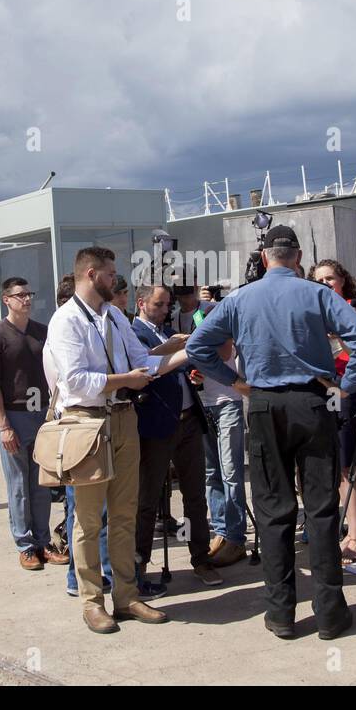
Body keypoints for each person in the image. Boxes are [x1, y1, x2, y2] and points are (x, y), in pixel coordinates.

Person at [188, 225, 356, 640]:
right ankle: (330, 614)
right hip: (313, 403)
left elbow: (198, 347)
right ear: (297, 255)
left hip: (264, 404)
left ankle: (281, 613)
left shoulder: (240, 298)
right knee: (322, 508)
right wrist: (346, 386)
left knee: (274, 510)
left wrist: (234, 381)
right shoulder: (318, 294)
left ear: (264, 254)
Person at [44, 247, 190, 634]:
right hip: (86, 423)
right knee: (88, 521)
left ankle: (126, 596)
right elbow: (74, 381)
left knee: (124, 515)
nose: (116, 280)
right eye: (111, 274)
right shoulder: (66, 321)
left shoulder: (114, 317)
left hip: (125, 420)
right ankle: (93, 601)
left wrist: (189, 351)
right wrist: (125, 381)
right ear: (92, 274)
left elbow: (144, 361)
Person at [131, 286, 222, 589]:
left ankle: (201, 557)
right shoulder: (133, 334)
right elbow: (142, 369)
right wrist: (171, 350)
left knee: (195, 495)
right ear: (141, 303)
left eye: (167, 304)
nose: (164, 309)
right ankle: (139, 561)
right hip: (157, 426)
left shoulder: (168, 331)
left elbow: (183, 368)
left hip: (188, 421)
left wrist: (193, 375)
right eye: (158, 304)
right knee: (148, 497)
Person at [0, 277, 68, 571]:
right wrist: (3, 424)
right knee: (18, 484)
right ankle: (25, 545)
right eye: (20, 295)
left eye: (29, 294)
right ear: (7, 299)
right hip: (15, 416)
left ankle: (44, 542)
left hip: (42, 414)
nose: (27, 299)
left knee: (41, 483)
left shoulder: (42, 333)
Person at [48, 274, 113, 598]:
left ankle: (89, 574)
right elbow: (74, 385)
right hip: (77, 427)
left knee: (86, 512)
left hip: (84, 425)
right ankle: (82, 579)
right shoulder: (61, 333)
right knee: (85, 513)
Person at [310, 259, 356, 564]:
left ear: (343, 280)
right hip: (314, 390)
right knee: (322, 466)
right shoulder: (310, 309)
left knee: (347, 466)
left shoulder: (350, 308)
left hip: (341, 389)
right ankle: (334, 528)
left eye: (330, 278)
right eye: (318, 279)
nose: (325, 284)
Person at [199, 338, 247, 567]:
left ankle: (235, 539)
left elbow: (225, 350)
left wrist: (196, 347)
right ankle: (221, 531)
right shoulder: (180, 318)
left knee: (231, 472)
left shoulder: (210, 312)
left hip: (228, 402)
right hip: (203, 403)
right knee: (212, 472)